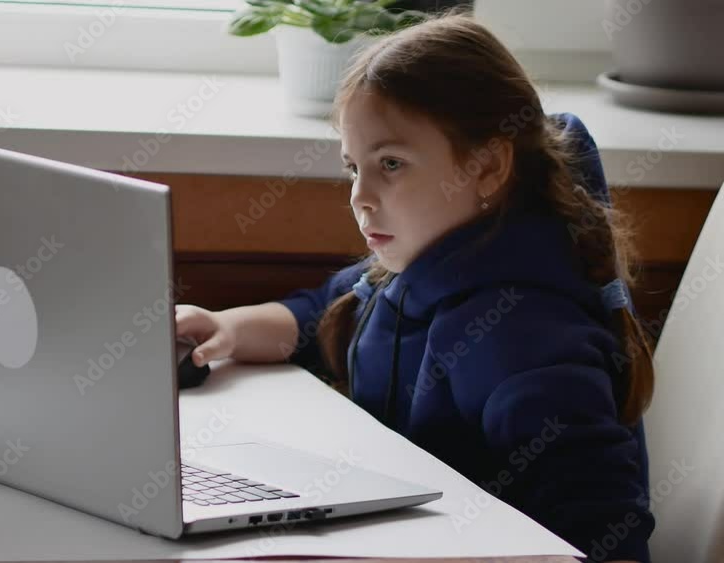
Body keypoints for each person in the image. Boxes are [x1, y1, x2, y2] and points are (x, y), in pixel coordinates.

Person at [175, 13, 654, 563]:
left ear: (488, 167)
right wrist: (228, 328)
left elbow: (607, 531)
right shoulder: (413, 265)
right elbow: (322, 313)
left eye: (391, 164)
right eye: (353, 167)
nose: (360, 196)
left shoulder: (522, 337)